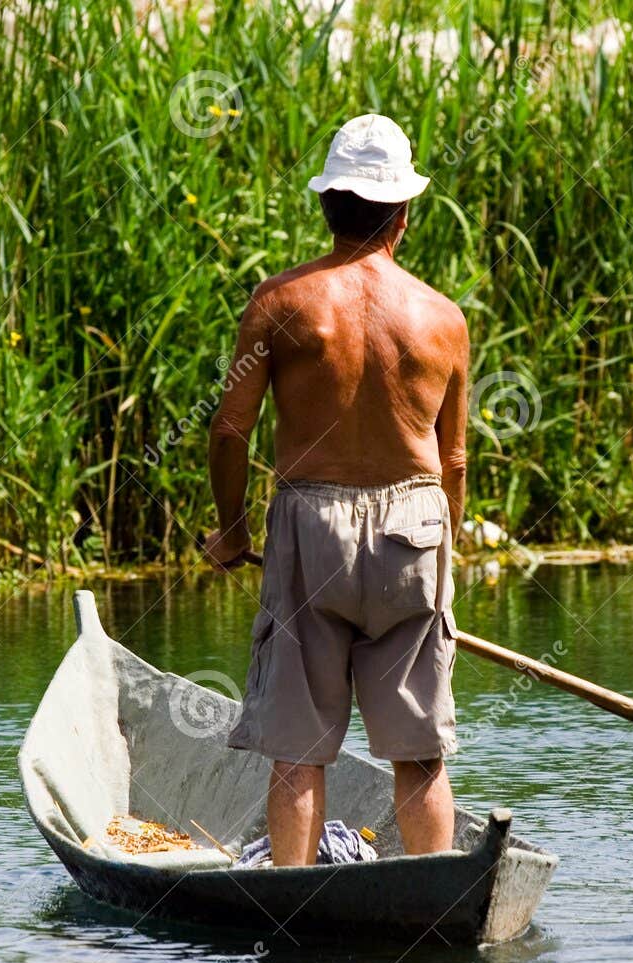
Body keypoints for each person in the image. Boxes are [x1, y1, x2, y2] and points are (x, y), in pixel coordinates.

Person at [202, 113, 469, 867]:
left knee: (298, 751)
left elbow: (229, 430)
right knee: (419, 754)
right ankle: (428, 896)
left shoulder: (280, 302)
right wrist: (441, 563)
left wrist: (232, 531)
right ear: (403, 214)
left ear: (327, 205)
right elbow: (452, 460)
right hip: (415, 529)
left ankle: (293, 902)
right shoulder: (443, 318)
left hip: (310, 530)